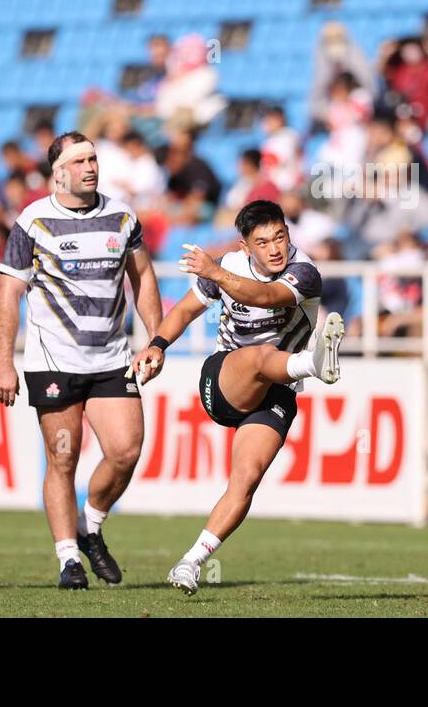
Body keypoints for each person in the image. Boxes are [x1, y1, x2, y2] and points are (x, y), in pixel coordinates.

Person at [137, 201, 344, 595]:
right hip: (224, 381)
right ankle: (314, 365)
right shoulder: (228, 267)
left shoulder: (305, 272)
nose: (275, 249)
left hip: (277, 389)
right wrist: (158, 345)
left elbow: (266, 297)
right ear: (246, 247)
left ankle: (190, 561)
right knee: (261, 357)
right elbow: (182, 311)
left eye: (280, 237)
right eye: (262, 242)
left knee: (246, 479)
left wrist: (214, 271)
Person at [0, 131, 164, 589]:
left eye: (94, 158)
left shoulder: (122, 216)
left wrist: (157, 340)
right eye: (80, 160)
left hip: (111, 357)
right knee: (62, 458)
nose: (91, 167)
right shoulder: (32, 222)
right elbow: (9, 294)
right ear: (59, 172)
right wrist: (4, 363)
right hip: (55, 360)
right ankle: (69, 558)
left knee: (126, 450)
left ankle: (91, 524)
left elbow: (143, 276)